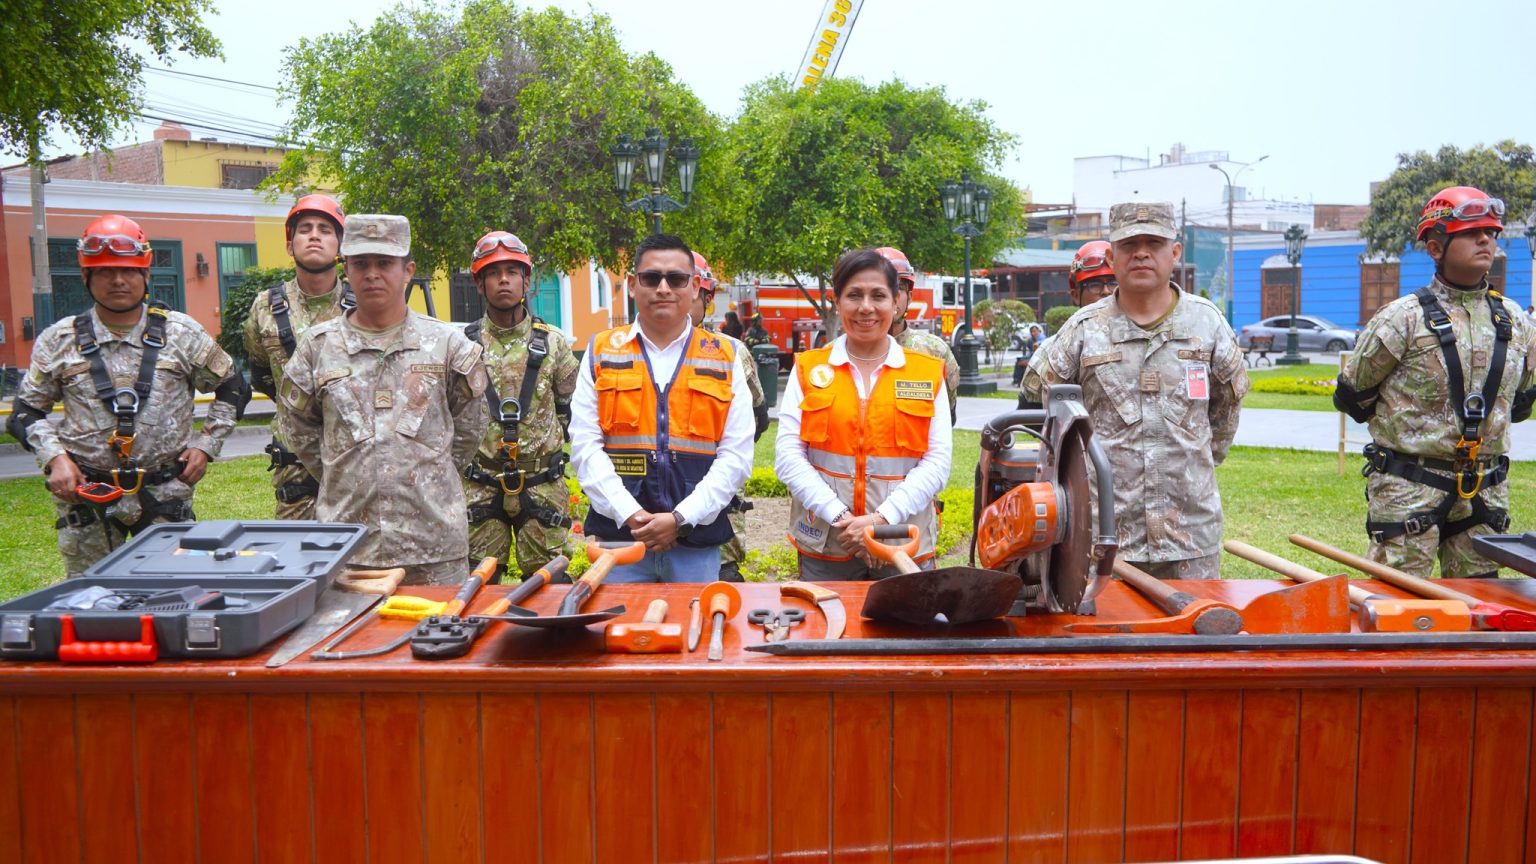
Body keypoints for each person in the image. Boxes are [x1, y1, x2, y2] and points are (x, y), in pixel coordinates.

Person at [7, 215, 248, 576]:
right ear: (86, 277)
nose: (118, 280)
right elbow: (25, 412)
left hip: (165, 496)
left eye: (128, 270)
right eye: (104, 271)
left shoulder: (182, 334)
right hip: (89, 499)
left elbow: (234, 386)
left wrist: (206, 446)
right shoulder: (59, 340)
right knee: (92, 603)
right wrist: (54, 458)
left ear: (145, 275)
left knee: (173, 598)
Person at [1022, 202, 1248, 580]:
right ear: (1112, 256)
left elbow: (1225, 414)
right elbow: (1037, 403)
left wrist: (1192, 464)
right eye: (1129, 245)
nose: (1141, 252)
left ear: (1174, 253)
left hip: (1190, 535)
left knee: (1191, 634)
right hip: (1103, 536)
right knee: (1107, 637)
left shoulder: (1207, 325)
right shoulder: (1083, 330)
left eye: (1154, 242)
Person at [1336, 185, 1536, 579]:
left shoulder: (1516, 322)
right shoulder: (1402, 318)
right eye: (1472, 232)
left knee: (1480, 609)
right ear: (1435, 247)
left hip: (1484, 489)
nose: (1486, 240)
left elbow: (1521, 402)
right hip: (1409, 488)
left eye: (1492, 233)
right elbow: (1352, 394)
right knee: (1396, 607)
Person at [278, 214, 488, 585]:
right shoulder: (318, 348)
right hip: (350, 550)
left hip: (434, 549)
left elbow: (469, 428)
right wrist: (347, 471)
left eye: (385, 263)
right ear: (346, 271)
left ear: (408, 270)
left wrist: (428, 475)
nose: (372, 274)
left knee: (442, 641)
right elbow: (299, 430)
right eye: (361, 264)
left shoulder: (447, 345)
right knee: (351, 643)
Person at [569, 233, 754, 582]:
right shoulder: (600, 352)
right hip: (621, 543)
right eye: (651, 278)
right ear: (633, 285)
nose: (664, 288)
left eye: (677, 279)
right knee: (620, 633)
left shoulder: (725, 356)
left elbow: (736, 456)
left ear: (696, 286)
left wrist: (680, 518)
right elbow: (584, 446)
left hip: (696, 546)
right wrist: (630, 513)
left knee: (693, 633)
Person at [777, 247, 953, 580]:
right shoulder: (809, 369)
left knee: (903, 631)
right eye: (854, 295)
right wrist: (842, 519)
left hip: (901, 542)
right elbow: (788, 456)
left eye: (878, 295)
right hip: (828, 542)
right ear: (836, 301)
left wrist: (879, 521)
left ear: (896, 301)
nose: (866, 308)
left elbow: (937, 462)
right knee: (828, 628)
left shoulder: (926, 373)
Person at [460, 231, 579, 582]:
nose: (503, 280)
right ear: (480, 284)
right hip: (480, 484)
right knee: (476, 586)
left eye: (512, 272)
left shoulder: (555, 344)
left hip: (541, 483)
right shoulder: (460, 347)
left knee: (550, 585)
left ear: (526, 280)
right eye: (493, 273)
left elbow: (569, 411)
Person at [244, 194, 352, 519]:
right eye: (305, 229)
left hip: (355, 462)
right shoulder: (265, 307)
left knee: (363, 561)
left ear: (341, 245)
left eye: (325, 229)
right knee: (300, 558)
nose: (315, 235)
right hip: (294, 470)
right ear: (290, 245)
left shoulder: (363, 304)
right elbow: (260, 371)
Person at [691, 250, 769, 581]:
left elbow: (758, 419)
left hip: (718, 507)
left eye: (696, 292)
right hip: (649, 513)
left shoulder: (731, 352)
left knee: (722, 594)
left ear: (707, 298)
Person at [1017, 240, 1118, 402]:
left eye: (1113, 282)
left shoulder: (1150, 342)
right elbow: (1031, 419)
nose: (1106, 291)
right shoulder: (1050, 352)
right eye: (1094, 284)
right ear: (1075, 295)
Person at [877, 246, 960, 424]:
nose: (890, 297)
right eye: (880, 289)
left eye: (898, 288)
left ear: (910, 297)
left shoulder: (935, 351)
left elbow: (947, 417)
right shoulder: (835, 354)